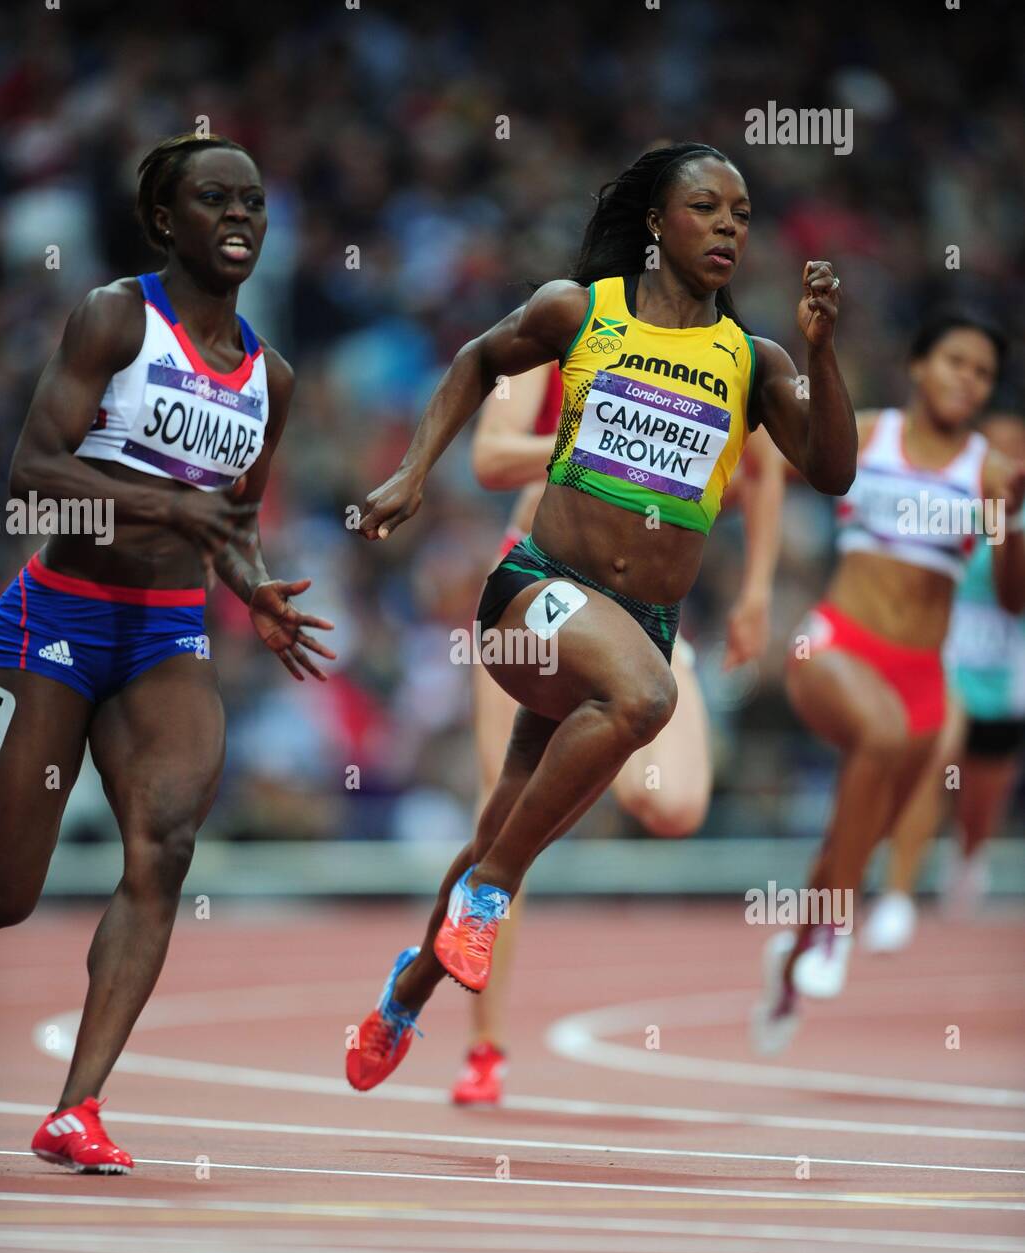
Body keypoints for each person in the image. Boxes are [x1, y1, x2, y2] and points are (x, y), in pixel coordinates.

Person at [343, 140, 856, 1092]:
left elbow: (832, 469)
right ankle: (490, 895)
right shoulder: (584, 311)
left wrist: (822, 354)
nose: (729, 228)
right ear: (658, 223)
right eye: (708, 208)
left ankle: (406, 993)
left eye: (743, 215)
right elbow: (472, 359)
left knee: (509, 817)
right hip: (531, 592)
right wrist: (415, 471)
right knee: (646, 698)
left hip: (635, 622)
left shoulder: (752, 358)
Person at [0, 133, 334, 1172]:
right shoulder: (117, 317)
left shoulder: (273, 375)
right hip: (55, 615)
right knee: (0, 895)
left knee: (166, 842)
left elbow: (235, 521)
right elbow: (32, 473)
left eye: (254, 203)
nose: (239, 217)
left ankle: (75, 1107)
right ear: (165, 222)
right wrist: (158, 500)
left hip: (168, 632)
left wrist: (254, 587)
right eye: (214, 199)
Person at [455, 360, 782, 1103]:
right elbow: (490, 456)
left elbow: (765, 469)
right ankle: (485, 1047)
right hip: (537, 591)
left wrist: (758, 591)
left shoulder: (720, 357)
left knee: (673, 806)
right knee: (504, 813)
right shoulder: (557, 340)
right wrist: (596, 441)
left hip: (639, 609)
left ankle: (658, 682)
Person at [752, 316, 1025, 1054]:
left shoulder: (993, 474)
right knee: (876, 738)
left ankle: (794, 959)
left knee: (852, 835)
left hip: (921, 680)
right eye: (954, 362)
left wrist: (1016, 521)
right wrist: (755, 590)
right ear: (916, 363)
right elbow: (758, 468)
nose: (965, 380)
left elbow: (1012, 598)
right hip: (834, 639)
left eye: (981, 373)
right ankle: (840, 920)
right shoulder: (863, 434)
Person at [863, 412, 1025, 948]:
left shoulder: (1016, 518)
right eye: (995, 448)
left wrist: (1011, 524)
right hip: (947, 660)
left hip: (1004, 677)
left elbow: (1015, 596)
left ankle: (967, 858)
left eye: (1014, 451)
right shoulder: (951, 500)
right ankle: (898, 891)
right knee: (936, 756)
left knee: (980, 802)